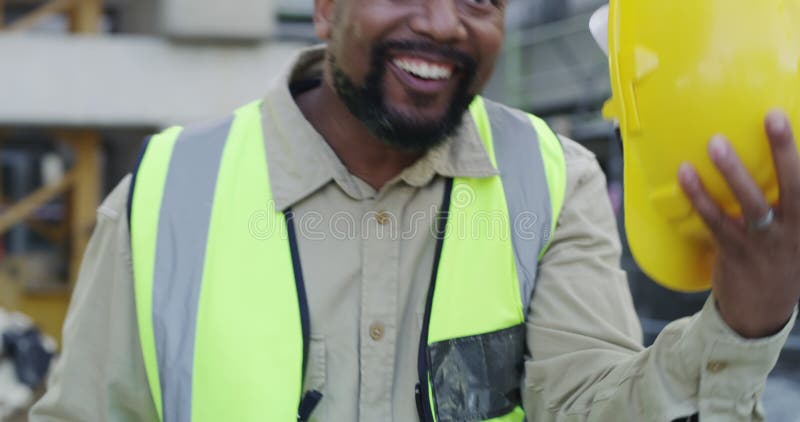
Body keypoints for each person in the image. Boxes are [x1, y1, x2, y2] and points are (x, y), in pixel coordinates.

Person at [30, 0, 798, 421]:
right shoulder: (167, 194)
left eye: (478, 0)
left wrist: (743, 323)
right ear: (325, 8)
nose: (440, 22)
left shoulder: (552, 181)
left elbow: (591, 409)